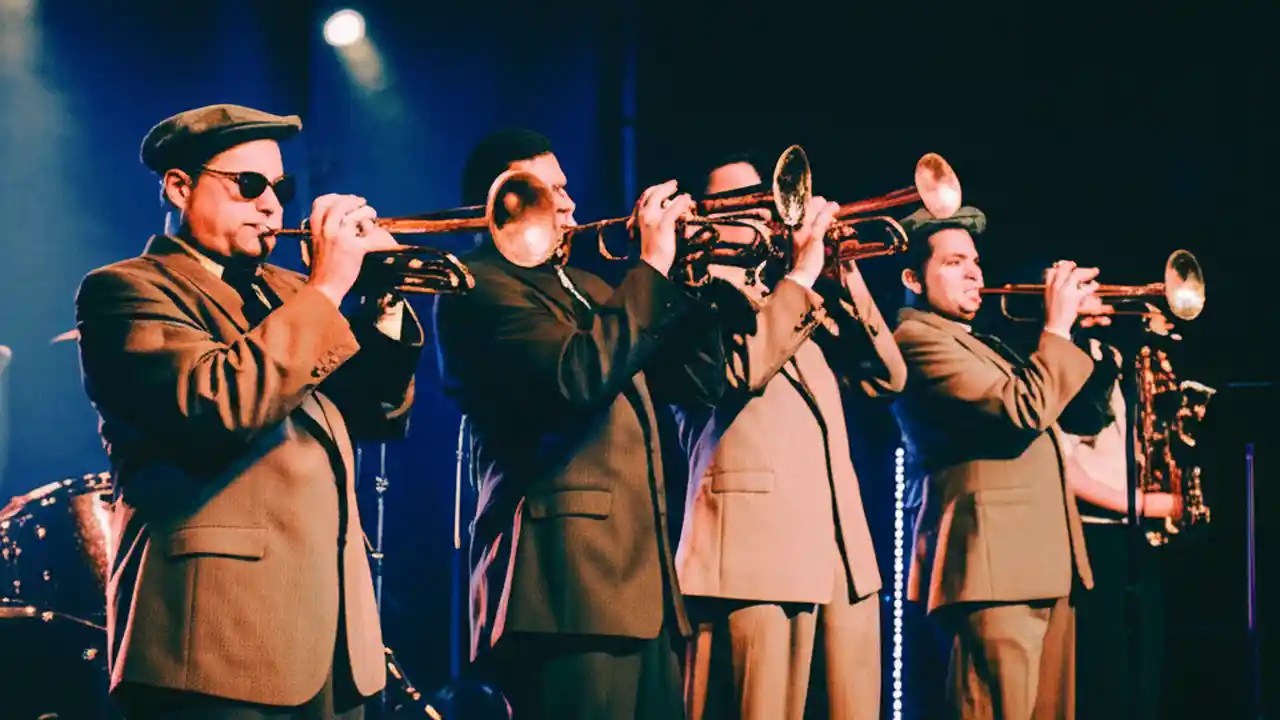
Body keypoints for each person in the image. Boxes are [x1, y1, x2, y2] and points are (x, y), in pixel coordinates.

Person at [75, 103, 423, 720]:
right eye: (249, 184)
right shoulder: (127, 290)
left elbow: (376, 413)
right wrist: (328, 288)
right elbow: (217, 404)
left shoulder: (292, 294)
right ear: (179, 187)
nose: (270, 205)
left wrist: (382, 300)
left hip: (333, 641)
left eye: (280, 189)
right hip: (213, 644)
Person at [433, 128, 724, 719]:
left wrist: (686, 278)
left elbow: (699, 384)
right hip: (563, 591)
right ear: (504, 205)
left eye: (566, 188)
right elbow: (577, 378)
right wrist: (652, 266)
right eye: (549, 191)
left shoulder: (590, 288)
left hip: (642, 589)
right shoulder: (476, 286)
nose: (569, 204)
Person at [668, 151, 906, 719]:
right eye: (741, 203)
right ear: (701, 220)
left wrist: (843, 273)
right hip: (753, 561)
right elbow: (738, 371)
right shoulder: (688, 290)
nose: (764, 213)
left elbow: (887, 377)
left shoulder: (794, 296)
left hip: (841, 557)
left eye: (764, 201)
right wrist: (800, 276)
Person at [891, 205, 1115, 719]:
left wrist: (1079, 337)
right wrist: (1056, 327)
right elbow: (1022, 409)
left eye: (974, 261)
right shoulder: (915, 340)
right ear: (912, 279)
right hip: (990, 573)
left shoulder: (980, 343)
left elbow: (1081, 417)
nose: (974, 273)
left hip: (1044, 569)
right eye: (953, 262)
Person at [1064, 321, 1179, 720]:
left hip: (1134, 535)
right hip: (1093, 534)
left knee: (1144, 669)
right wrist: (1142, 504)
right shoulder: (1066, 357)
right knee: (1103, 670)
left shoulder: (1115, 355)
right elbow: (1064, 469)